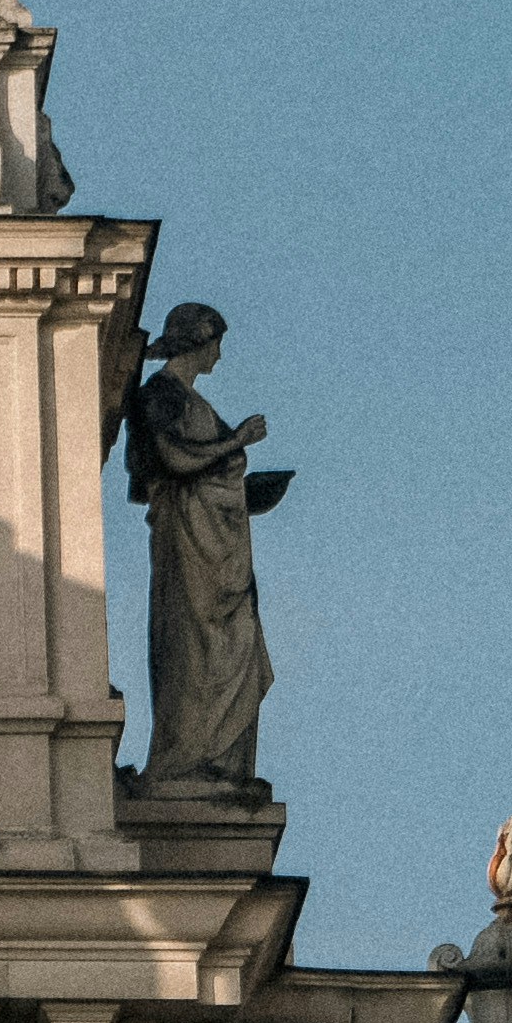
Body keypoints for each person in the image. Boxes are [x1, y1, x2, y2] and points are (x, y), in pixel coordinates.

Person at [125, 300, 287, 792]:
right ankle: (186, 765)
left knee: (237, 646)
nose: (219, 355)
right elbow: (175, 458)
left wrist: (247, 488)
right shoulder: (160, 395)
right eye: (215, 343)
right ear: (198, 342)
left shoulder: (192, 401)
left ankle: (221, 763)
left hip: (217, 546)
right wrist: (236, 441)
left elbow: (205, 472)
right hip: (189, 547)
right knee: (198, 648)